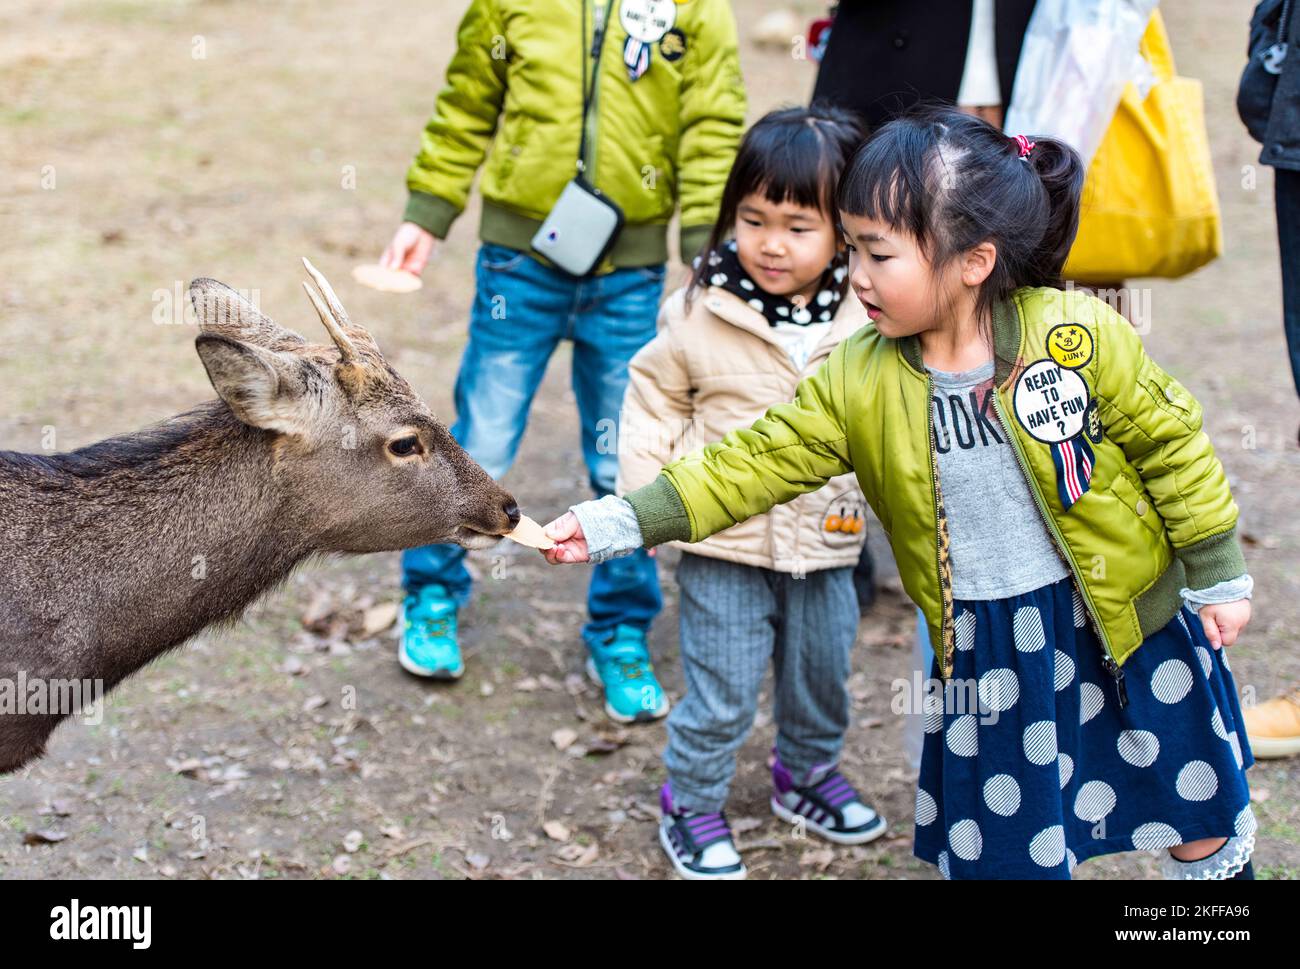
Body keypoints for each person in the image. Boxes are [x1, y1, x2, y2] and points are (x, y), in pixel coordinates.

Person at [541, 109, 1259, 880]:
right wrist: (624, 518)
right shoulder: (858, 375)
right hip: (989, 652)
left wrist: (1215, 569)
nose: (856, 274)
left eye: (878, 253)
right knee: (1014, 849)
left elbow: (1172, 444)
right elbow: (751, 461)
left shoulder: (1075, 334)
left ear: (974, 260)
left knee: (1196, 814)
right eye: (851, 248)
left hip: (1123, 625)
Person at [378, 0, 745, 723]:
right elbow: (466, 101)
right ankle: (430, 592)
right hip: (521, 265)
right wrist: (428, 212)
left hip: (630, 276)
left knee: (627, 460)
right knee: (479, 442)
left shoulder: (697, 8)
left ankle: (620, 628)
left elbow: (713, 125)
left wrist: (707, 239)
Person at [617, 105, 885, 879]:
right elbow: (652, 401)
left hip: (829, 540)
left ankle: (804, 775)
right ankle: (692, 801)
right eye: (754, 218)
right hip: (721, 543)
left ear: (844, 231)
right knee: (723, 689)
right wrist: (645, 501)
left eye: (799, 226)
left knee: (820, 677)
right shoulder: (702, 310)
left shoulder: (867, 319)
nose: (771, 242)